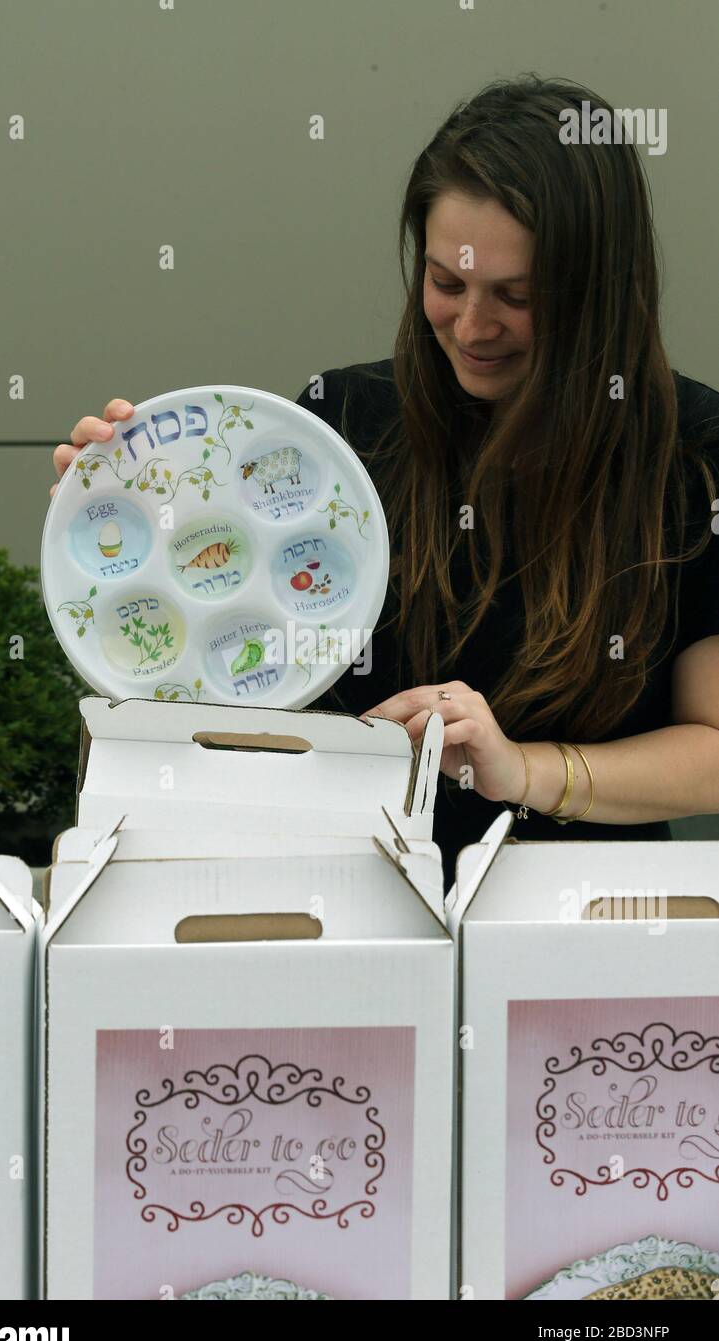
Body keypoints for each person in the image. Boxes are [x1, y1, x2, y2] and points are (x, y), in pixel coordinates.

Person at [51, 76, 719, 895]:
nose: (472, 328)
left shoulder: (694, 453)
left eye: (517, 297)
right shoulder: (336, 427)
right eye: (446, 283)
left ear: (601, 294)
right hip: (332, 906)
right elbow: (208, 692)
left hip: (579, 931)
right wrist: (112, 528)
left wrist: (521, 770)